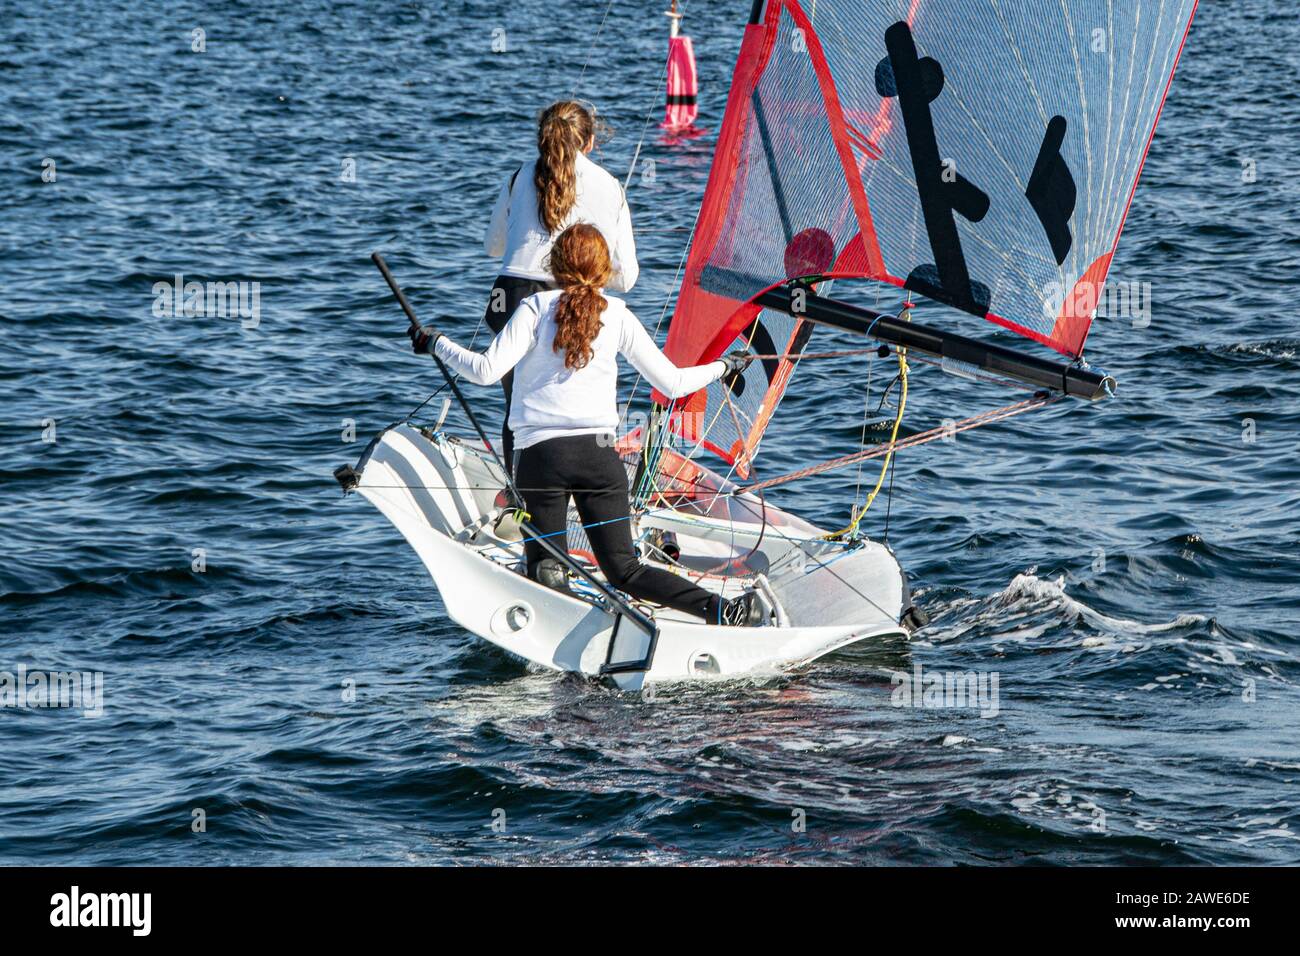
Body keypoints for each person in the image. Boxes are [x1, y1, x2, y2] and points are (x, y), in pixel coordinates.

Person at [409, 224, 766, 627]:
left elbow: (486, 371)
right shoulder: (617, 314)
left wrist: (435, 342)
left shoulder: (534, 307)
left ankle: (561, 648)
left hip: (540, 460)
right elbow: (673, 382)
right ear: (604, 270)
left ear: (554, 265)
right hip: (600, 459)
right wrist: (723, 367)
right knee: (625, 571)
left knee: (547, 571)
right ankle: (724, 610)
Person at [480, 100, 638, 471]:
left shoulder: (520, 176)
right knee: (570, 405)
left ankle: (519, 493)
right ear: (591, 142)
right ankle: (572, 484)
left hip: (511, 295)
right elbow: (626, 279)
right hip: (574, 297)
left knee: (517, 406)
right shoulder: (610, 186)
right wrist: (592, 269)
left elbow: (492, 248)